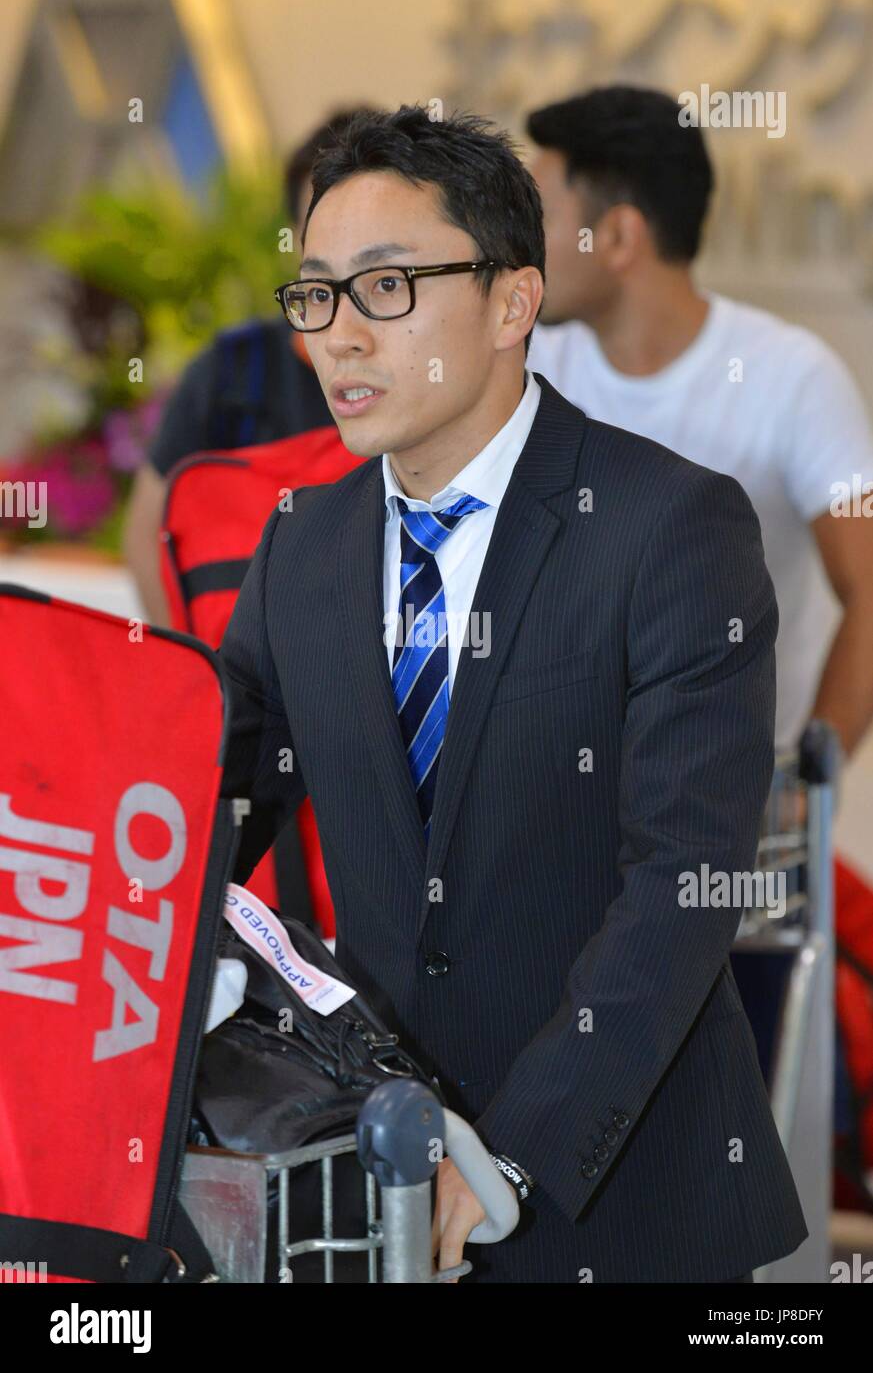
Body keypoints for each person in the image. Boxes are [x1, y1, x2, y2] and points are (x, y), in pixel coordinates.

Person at [217, 103, 807, 1283]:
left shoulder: (668, 526)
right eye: (315, 294)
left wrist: (510, 1163)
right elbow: (207, 811)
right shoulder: (302, 547)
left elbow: (681, 887)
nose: (338, 335)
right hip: (377, 1188)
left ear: (511, 302)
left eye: (386, 289)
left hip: (626, 1207)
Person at [525, 85, 873, 759]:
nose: (518, 246)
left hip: (739, 811)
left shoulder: (792, 376)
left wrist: (807, 783)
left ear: (620, 235)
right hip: (560, 802)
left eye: (538, 218)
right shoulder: (524, 365)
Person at [122, 107, 370, 628]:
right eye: (321, 225)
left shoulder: (432, 369)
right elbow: (147, 529)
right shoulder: (232, 371)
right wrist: (198, 673)